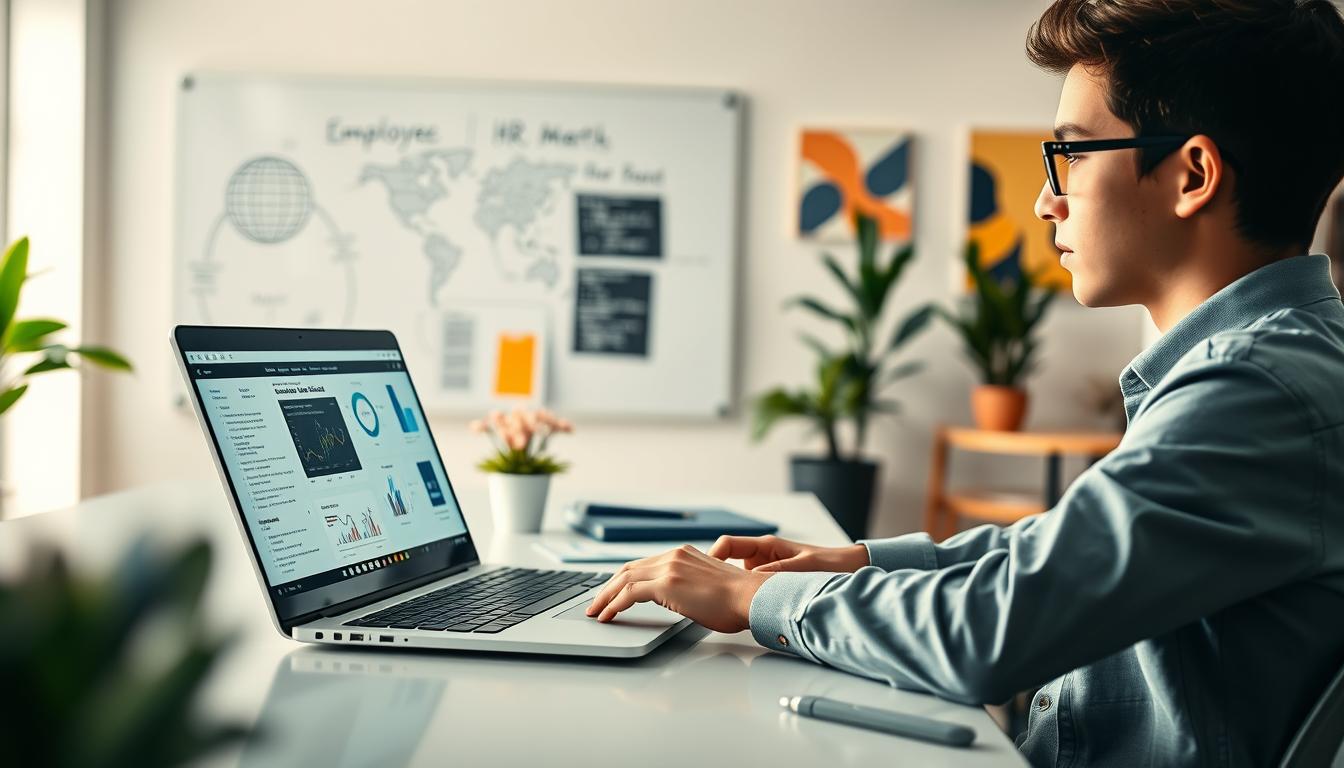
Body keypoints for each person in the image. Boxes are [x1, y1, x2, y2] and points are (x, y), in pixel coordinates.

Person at [585, 0, 1344, 764]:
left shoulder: (1254, 390)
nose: (1047, 200)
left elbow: (994, 630)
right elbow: (1061, 558)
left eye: (1072, 155)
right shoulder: (1274, 368)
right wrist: (863, 562)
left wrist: (749, 597)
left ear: (1192, 175)